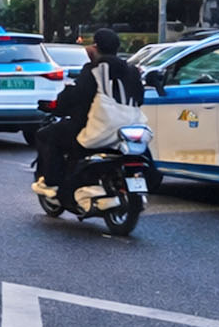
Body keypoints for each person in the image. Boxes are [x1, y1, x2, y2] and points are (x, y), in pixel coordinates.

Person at [32, 28, 142, 200]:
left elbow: (77, 96)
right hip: (128, 128)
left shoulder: (93, 69)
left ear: (96, 47)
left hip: (94, 127)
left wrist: (59, 105)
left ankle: (52, 181)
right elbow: (140, 98)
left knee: (45, 136)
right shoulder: (132, 71)